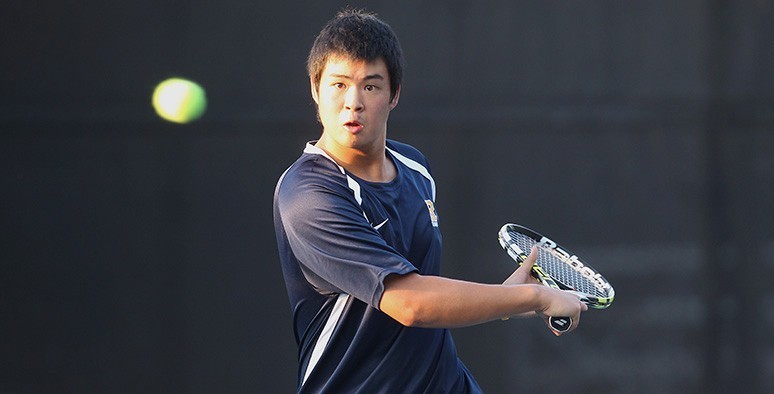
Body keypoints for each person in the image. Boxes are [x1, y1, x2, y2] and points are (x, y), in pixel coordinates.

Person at [273, 8, 587, 393]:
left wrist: (511, 299)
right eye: (338, 85)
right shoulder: (308, 195)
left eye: (370, 86)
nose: (353, 102)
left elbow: (424, 286)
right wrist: (534, 296)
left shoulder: (415, 169)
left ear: (394, 95)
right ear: (315, 90)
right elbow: (411, 304)